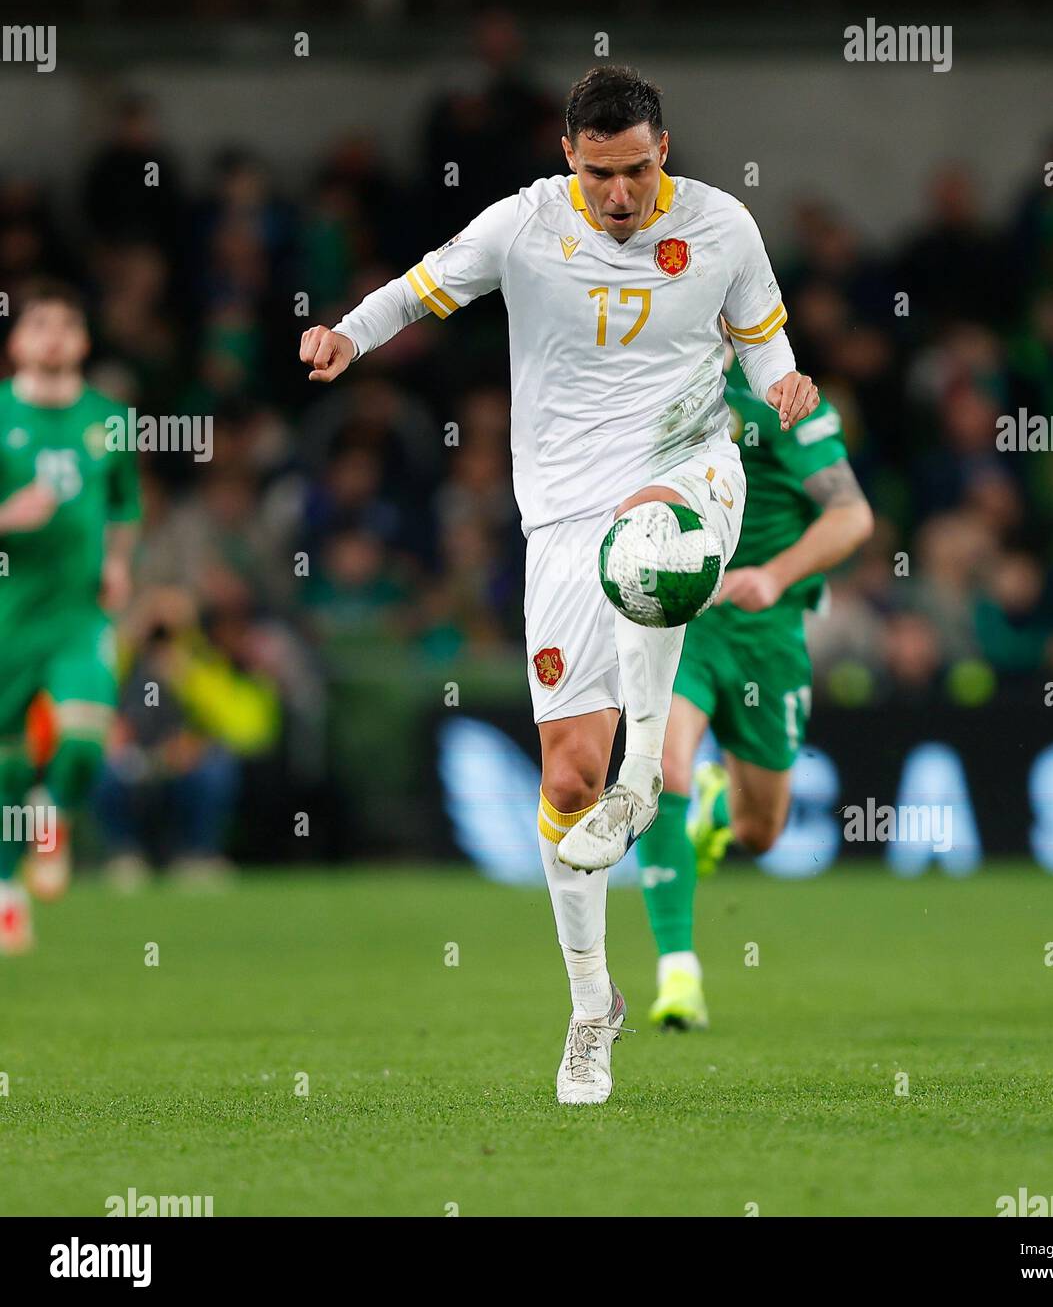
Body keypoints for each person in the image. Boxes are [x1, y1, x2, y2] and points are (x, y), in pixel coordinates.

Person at [299, 66, 818, 1104]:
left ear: (661, 150)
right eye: (598, 175)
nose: (618, 196)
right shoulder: (525, 223)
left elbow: (768, 354)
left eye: (634, 172)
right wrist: (348, 333)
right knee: (566, 782)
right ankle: (592, 1009)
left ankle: (648, 782)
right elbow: (421, 285)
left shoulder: (723, 228)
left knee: (653, 547)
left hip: (690, 476)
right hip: (560, 520)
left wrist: (788, 386)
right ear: (570, 159)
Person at [640, 346, 873, 1028]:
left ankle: (717, 813)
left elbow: (852, 516)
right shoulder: (647, 386)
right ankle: (677, 971)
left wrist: (773, 574)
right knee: (662, 765)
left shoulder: (786, 401)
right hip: (687, 617)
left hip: (767, 632)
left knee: (761, 831)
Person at [0, 281, 140, 955]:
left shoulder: (112, 421)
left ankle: (50, 815)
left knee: (84, 736)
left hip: (80, 614)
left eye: (66, 324)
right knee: (4, 764)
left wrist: (117, 562)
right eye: (40, 324)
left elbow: (123, 505)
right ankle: (6, 891)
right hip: (8, 615)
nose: (53, 336)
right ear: (17, 341)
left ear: (83, 341)